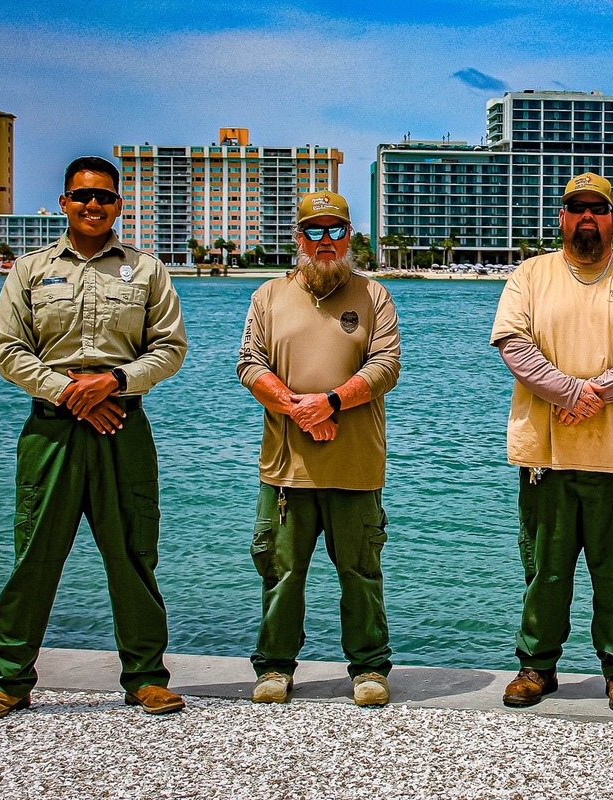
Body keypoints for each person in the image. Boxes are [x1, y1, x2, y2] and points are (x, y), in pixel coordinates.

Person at [0, 156, 188, 721]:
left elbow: (169, 349)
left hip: (123, 425)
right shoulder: (30, 271)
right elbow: (8, 351)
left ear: (119, 204)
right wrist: (70, 392)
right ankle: (9, 679)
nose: (94, 206)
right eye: (82, 196)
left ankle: (145, 676)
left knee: (134, 555)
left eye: (105, 197)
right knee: (34, 555)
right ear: (64, 202)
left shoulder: (147, 271)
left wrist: (112, 382)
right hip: (52, 430)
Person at [490, 172, 613, 713]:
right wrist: (567, 391)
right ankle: (537, 665)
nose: (586, 217)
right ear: (561, 217)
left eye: (597, 209)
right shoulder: (531, 275)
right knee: (544, 568)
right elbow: (513, 344)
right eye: (576, 208)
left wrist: (594, 392)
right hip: (545, 455)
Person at [237, 190, 401, 707]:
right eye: (315, 230)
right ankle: (275, 667)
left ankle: (370, 667)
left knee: (360, 571)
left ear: (349, 236)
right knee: (281, 570)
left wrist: (330, 402)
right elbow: (249, 365)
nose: (325, 241)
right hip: (286, 468)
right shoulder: (267, 296)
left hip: (356, 467)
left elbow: (385, 367)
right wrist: (298, 408)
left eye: (336, 230)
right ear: (299, 237)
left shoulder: (374, 296)